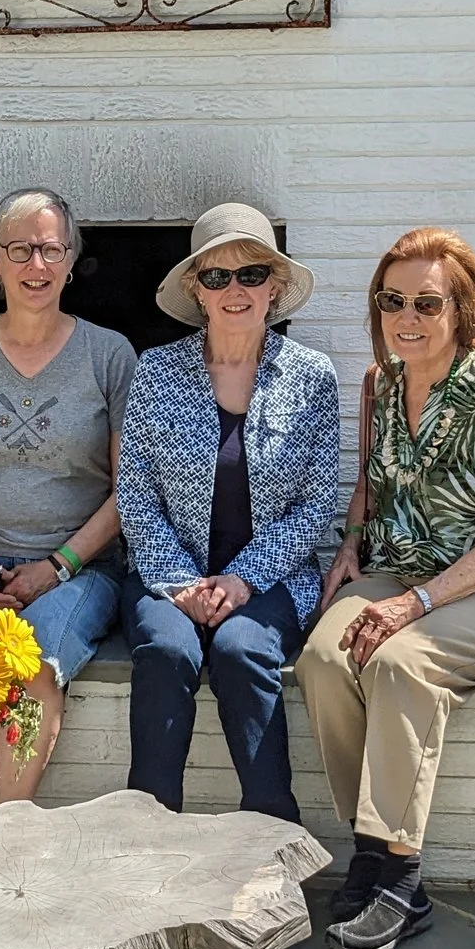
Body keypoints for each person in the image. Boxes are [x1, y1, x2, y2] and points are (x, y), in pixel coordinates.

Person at [301, 229, 475, 949]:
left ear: (461, 310)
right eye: (392, 300)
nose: (407, 316)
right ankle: (370, 850)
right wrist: (350, 544)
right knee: (323, 658)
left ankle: (401, 879)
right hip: (396, 567)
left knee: (400, 663)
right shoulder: (379, 382)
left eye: (427, 303)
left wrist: (413, 606)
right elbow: (369, 482)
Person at [118, 203, 340, 821]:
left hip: (272, 579)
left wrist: (243, 579)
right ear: (197, 289)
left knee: (242, 650)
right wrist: (183, 586)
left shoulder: (311, 377)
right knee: (167, 651)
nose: (235, 290)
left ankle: (272, 833)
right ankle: (146, 831)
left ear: (275, 286)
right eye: (217, 276)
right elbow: (135, 495)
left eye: (252, 274)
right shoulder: (156, 371)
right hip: (168, 575)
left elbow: (317, 501)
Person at [0, 189, 135, 800]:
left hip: (80, 568)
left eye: (50, 249)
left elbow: (130, 487)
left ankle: (7, 826)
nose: (35, 265)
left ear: (71, 260)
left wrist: (58, 565)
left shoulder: (108, 354)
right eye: (19, 249)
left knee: (36, 660)